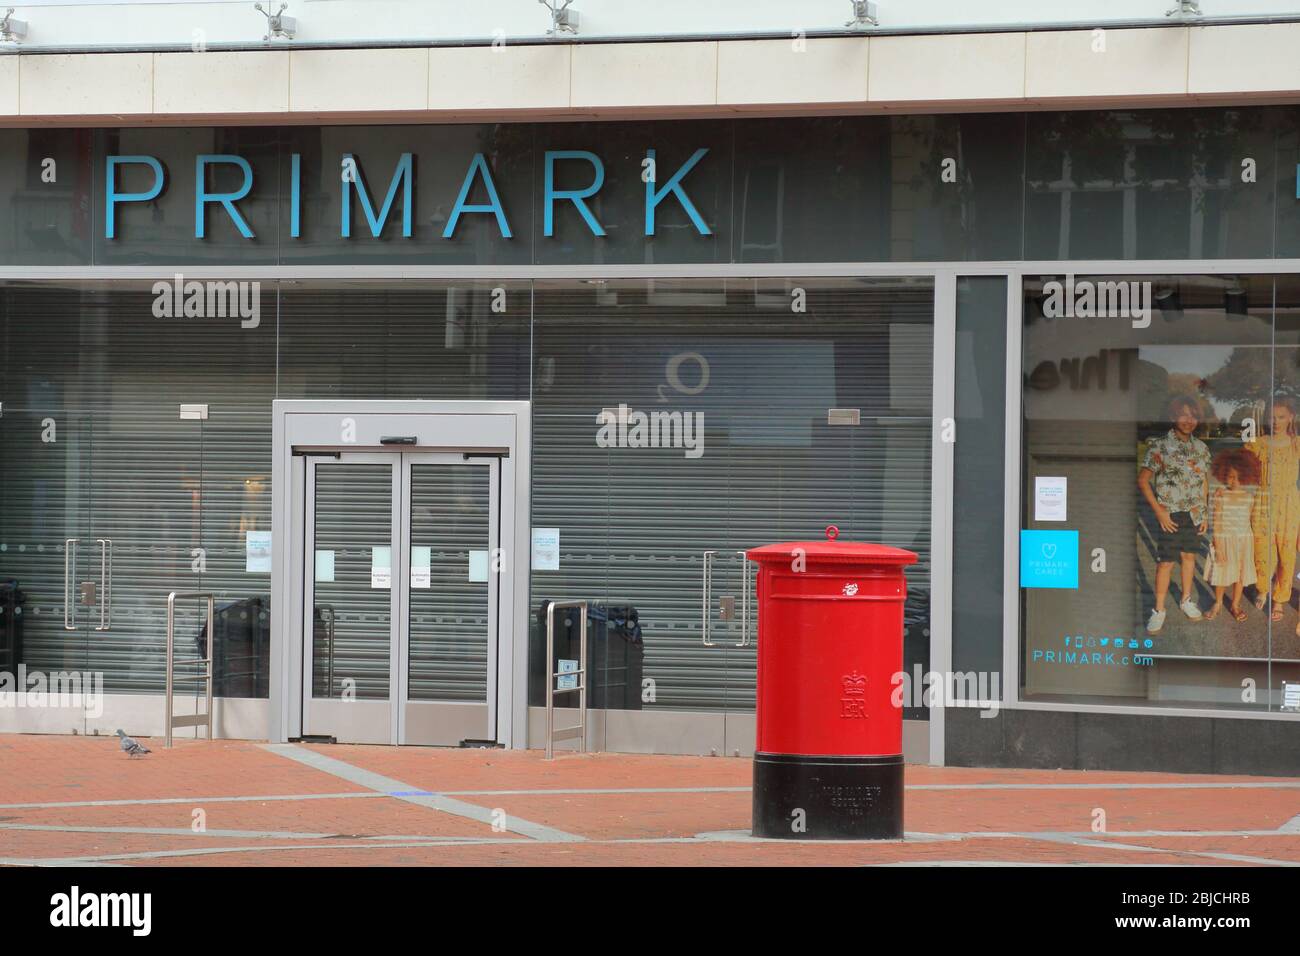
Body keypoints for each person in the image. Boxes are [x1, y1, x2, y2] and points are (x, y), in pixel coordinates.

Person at [1138, 395, 1211, 634]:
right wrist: (1159, 512)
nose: (1188, 420)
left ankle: (1186, 600)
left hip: (1193, 514)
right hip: (1169, 515)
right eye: (1183, 414)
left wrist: (1205, 513)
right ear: (1173, 416)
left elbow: (1204, 482)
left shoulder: (1201, 449)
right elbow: (1143, 481)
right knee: (1166, 562)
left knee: (1189, 558)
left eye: (1193, 415)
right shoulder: (1160, 447)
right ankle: (1159, 610)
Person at [1246, 396, 1300, 625]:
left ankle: (1279, 599)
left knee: (1287, 555)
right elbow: (1241, 467)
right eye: (1272, 417)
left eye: (1281, 417)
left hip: (1290, 505)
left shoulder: (1297, 444)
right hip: (1263, 502)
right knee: (1261, 550)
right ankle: (1262, 588)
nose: (1276, 421)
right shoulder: (1259, 442)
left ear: (1291, 417)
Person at [1203, 448, 1259, 622]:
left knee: (1240, 573)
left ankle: (1235, 604)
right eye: (1230, 476)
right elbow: (1217, 523)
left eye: (1239, 477)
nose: (1234, 481)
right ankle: (1218, 602)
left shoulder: (1250, 497)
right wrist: (1218, 546)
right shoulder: (1221, 495)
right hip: (1225, 540)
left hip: (1244, 540)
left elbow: (1250, 520)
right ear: (1223, 475)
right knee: (1222, 572)